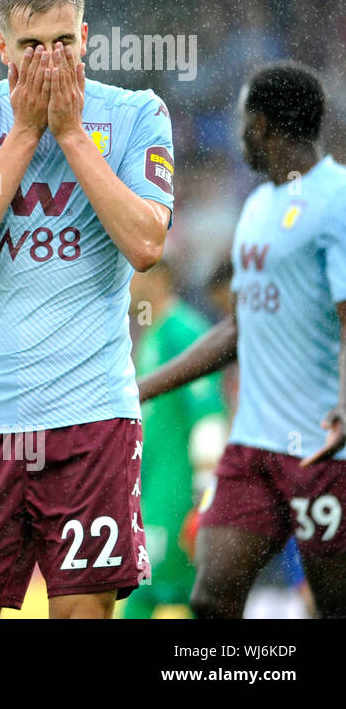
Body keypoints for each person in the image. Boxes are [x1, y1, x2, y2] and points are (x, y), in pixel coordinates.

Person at [0, 0, 173, 619]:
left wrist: (68, 132)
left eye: (62, 41)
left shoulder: (136, 114)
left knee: (80, 616)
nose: (49, 58)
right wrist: (27, 130)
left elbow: (147, 245)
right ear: (3, 47)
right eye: (31, 45)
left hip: (90, 415)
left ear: (85, 37)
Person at [139, 60, 346, 618]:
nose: (237, 133)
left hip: (321, 449)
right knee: (212, 597)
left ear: (266, 127)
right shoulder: (257, 208)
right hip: (253, 446)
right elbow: (238, 327)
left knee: (333, 604)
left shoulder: (337, 200)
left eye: (243, 120)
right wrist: (144, 388)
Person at [121, 259, 226, 618]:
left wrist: (203, 499)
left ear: (160, 277)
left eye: (131, 272)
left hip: (178, 498)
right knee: (189, 594)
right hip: (155, 493)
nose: (125, 283)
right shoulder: (155, 333)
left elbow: (208, 418)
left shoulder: (183, 331)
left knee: (142, 591)